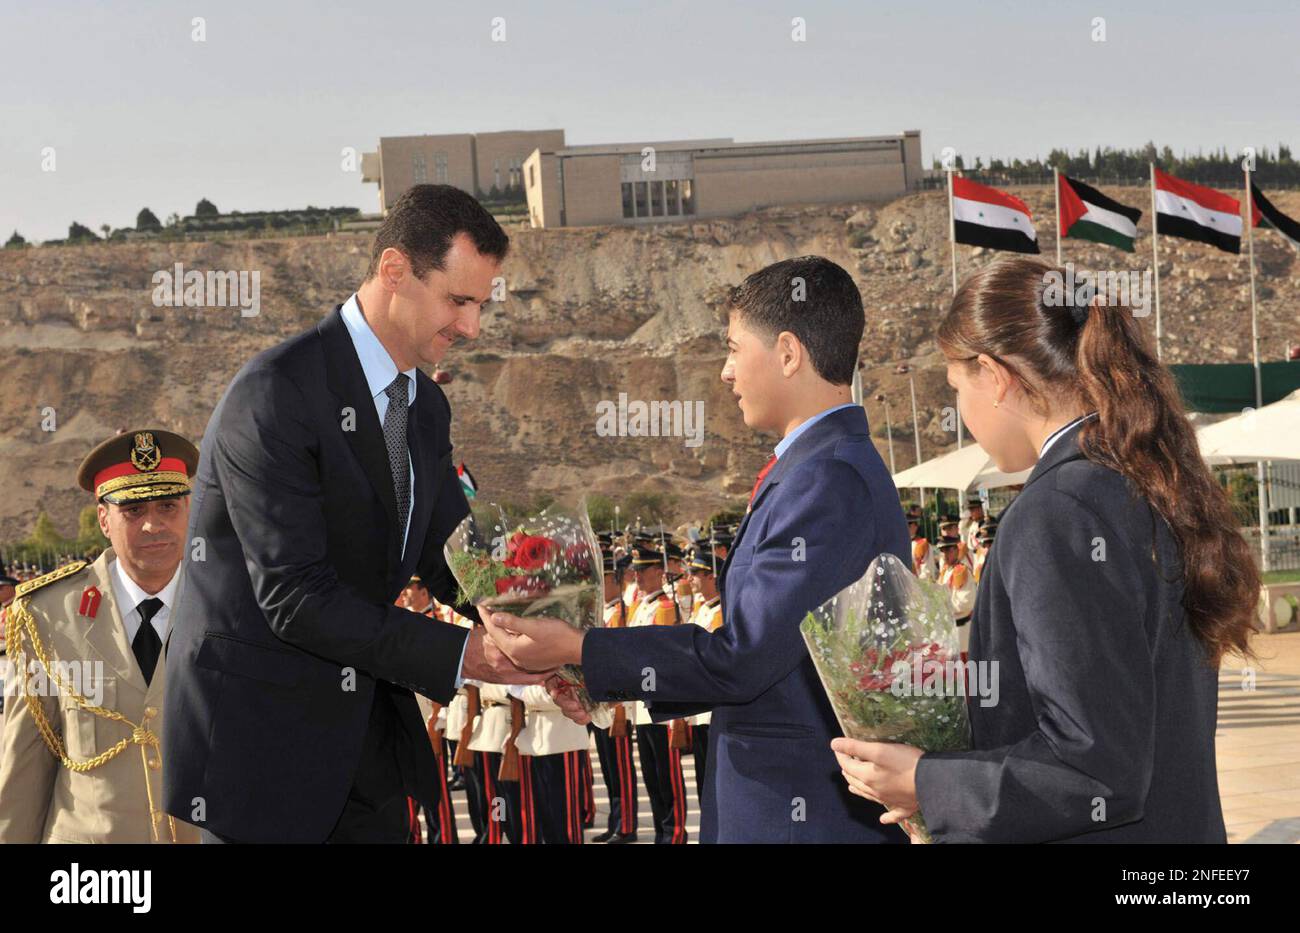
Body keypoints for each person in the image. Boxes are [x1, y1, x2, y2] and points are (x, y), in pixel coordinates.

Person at [163, 184, 549, 844]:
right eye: (459, 300)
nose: (471, 326)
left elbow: (455, 554)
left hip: (364, 750)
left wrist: (550, 640)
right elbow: (296, 597)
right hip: (264, 758)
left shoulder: (425, 408)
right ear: (394, 270)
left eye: (481, 305)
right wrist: (471, 654)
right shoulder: (278, 392)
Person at [483, 256, 911, 843]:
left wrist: (584, 647)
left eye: (734, 349)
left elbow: (743, 657)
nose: (726, 373)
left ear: (788, 353)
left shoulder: (825, 480)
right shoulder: (818, 469)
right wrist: (585, 670)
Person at [832, 256, 1258, 843]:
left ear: (994, 374)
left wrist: (925, 781)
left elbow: (1095, 768)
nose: (962, 413)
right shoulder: (1142, 480)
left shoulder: (1059, 511)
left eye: (957, 388)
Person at [0, 429, 201, 843]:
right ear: (103, 519)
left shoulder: (232, 605)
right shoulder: (47, 616)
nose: (153, 525)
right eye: (133, 511)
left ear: (188, 510)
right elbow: (26, 764)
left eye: (168, 506)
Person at [589, 547, 638, 843]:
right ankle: (615, 819)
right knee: (609, 769)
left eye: (600, 578)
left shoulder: (623, 612)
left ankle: (627, 825)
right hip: (601, 703)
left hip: (616, 706)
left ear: (611, 578)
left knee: (621, 768)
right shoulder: (604, 611)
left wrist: (619, 709)